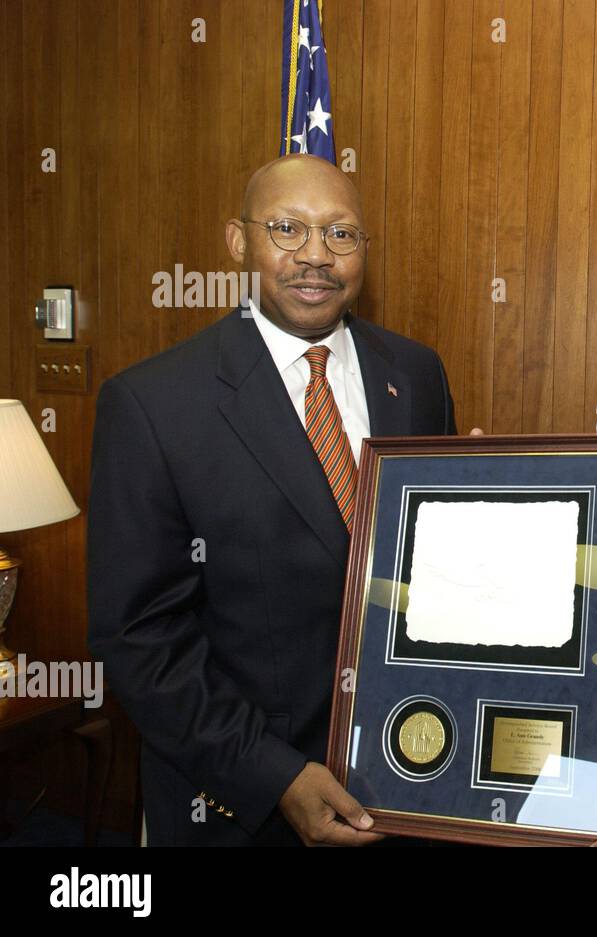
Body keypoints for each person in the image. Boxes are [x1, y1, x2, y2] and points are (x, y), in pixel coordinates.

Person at [87, 155, 459, 846]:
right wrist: (274, 775)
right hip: (239, 806)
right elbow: (139, 638)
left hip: (408, 781)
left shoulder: (416, 373)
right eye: (287, 228)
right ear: (238, 241)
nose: (315, 256)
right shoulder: (152, 404)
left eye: (341, 234)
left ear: (365, 249)